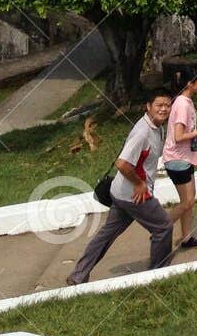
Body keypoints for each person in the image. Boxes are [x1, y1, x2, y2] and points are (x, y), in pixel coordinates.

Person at [66, 90, 173, 286]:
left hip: (120, 193)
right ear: (148, 107)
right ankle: (158, 273)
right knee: (163, 227)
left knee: (106, 235)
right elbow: (122, 164)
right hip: (135, 195)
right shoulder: (142, 133)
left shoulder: (157, 128)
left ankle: (77, 276)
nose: (164, 109)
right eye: (159, 105)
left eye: (167, 105)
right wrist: (140, 184)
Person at [164, 70, 197, 251]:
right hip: (177, 160)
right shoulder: (182, 105)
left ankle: (186, 238)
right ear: (189, 84)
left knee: (190, 200)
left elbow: (184, 131)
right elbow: (178, 136)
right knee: (187, 202)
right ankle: (161, 228)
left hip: (185, 158)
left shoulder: (185, 102)